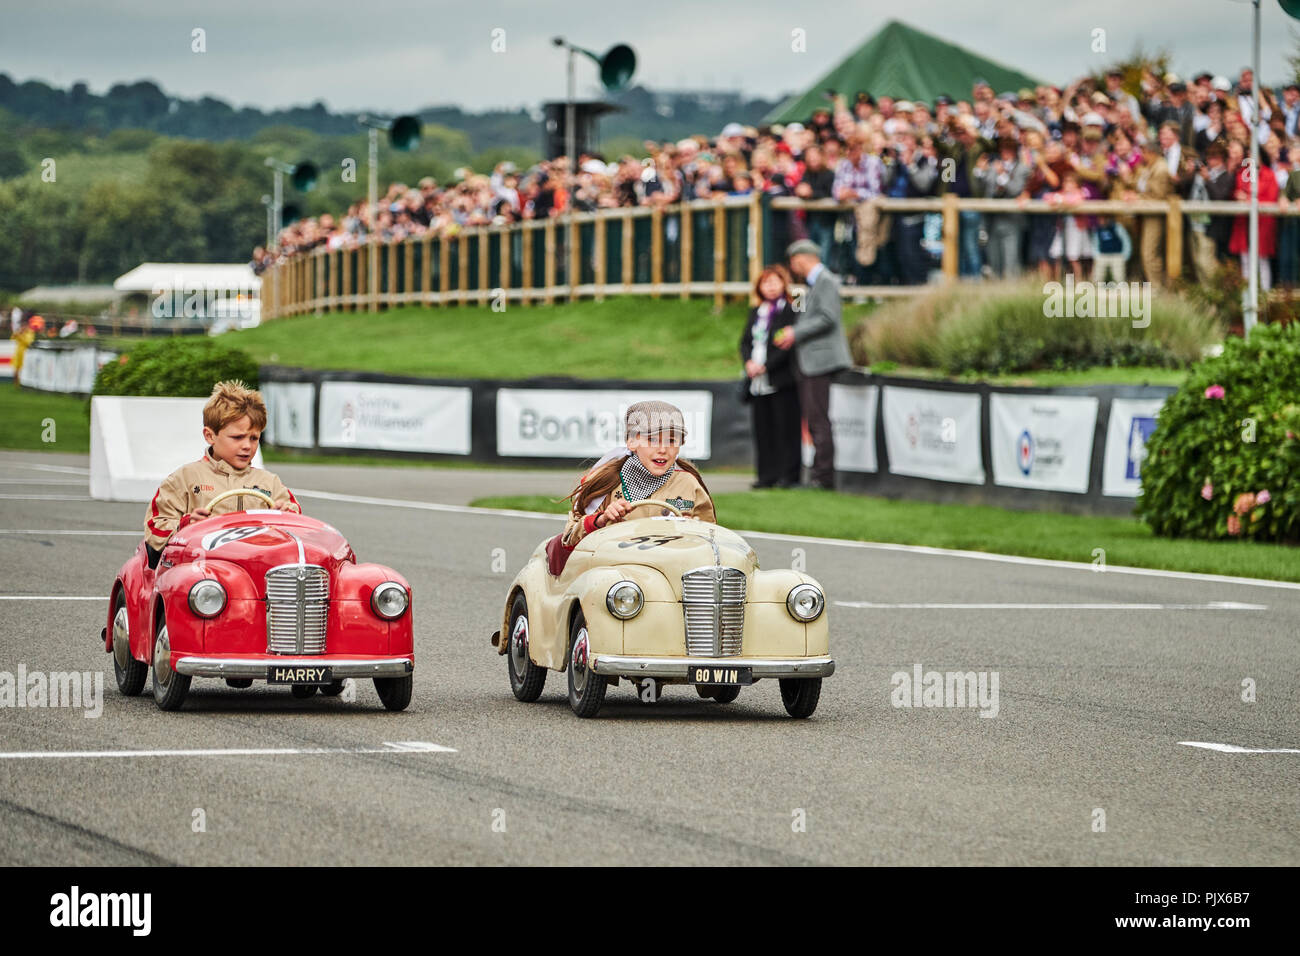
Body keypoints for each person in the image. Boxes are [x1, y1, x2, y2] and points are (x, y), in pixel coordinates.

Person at [143, 381, 301, 569]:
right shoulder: (184, 478)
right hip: (199, 568)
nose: (247, 446)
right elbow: (155, 527)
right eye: (237, 437)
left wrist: (284, 514)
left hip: (255, 566)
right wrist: (186, 525)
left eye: (254, 438)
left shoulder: (269, 482)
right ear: (210, 436)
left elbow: (297, 520)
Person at [556, 402, 715, 561]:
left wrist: (694, 530)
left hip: (671, 571)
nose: (663, 449)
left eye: (671, 440)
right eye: (652, 439)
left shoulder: (689, 483)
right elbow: (569, 541)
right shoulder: (605, 480)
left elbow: (713, 541)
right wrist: (602, 519)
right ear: (632, 442)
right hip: (616, 571)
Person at [776, 239, 853, 491]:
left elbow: (828, 317)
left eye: (794, 262)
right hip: (809, 361)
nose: (793, 267)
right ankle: (820, 476)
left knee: (819, 420)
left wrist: (794, 333)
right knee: (815, 419)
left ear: (801, 259)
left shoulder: (826, 281)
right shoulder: (810, 285)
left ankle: (823, 478)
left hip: (821, 361)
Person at [740, 266, 801, 489]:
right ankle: (766, 476)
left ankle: (789, 476)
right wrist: (749, 363)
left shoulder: (791, 310)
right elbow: (746, 341)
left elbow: (787, 347)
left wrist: (766, 366)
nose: (771, 287)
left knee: (786, 430)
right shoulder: (756, 312)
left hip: (781, 380)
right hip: (757, 384)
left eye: (775, 282)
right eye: (766, 283)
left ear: (784, 284)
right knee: (763, 431)